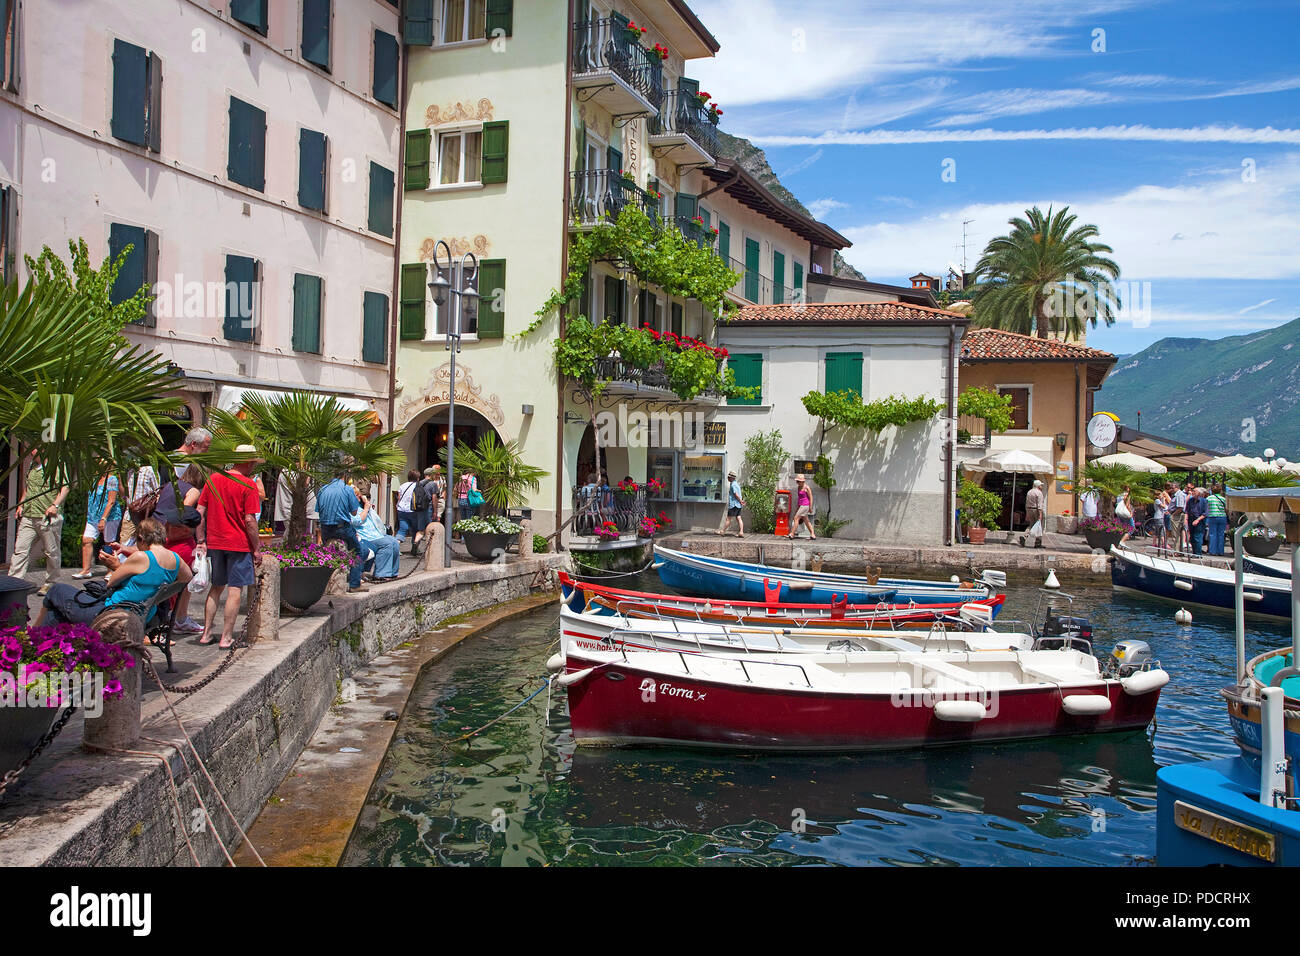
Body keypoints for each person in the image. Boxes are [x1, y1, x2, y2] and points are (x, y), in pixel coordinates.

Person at [35, 517, 190, 627]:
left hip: (113, 614)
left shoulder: (141, 557)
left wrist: (115, 564)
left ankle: (33, 638)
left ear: (141, 538)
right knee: (55, 612)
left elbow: (111, 582)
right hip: (145, 615)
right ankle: (46, 647)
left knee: (56, 591)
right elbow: (187, 576)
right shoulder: (175, 559)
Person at [195, 446, 264, 648]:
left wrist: (201, 539)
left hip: (215, 541)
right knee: (235, 589)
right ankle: (226, 637)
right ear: (248, 462)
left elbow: (200, 510)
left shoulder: (214, 479)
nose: (253, 466)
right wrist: (257, 548)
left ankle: (206, 633)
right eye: (252, 463)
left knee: (216, 587)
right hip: (238, 543)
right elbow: (250, 520)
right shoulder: (248, 485)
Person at [9, 448, 69, 595]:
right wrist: (21, 505)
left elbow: (65, 487)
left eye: (34, 450)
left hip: (47, 516)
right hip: (29, 515)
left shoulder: (56, 465)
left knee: (51, 552)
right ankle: (14, 581)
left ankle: (50, 583)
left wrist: (55, 505)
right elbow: (27, 488)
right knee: (20, 550)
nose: (31, 453)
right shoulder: (32, 466)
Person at [318, 471, 367, 593]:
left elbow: (318, 510)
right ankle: (355, 583)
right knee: (358, 551)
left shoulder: (322, 489)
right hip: (341, 528)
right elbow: (354, 512)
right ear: (344, 477)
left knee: (327, 553)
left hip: (325, 529)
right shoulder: (347, 489)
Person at [73, 470, 122, 579]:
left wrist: (103, 518)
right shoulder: (94, 479)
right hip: (93, 517)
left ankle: (111, 571)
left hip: (109, 517)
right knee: (86, 539)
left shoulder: (112, 479)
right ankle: (86, 570)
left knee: (109, 542)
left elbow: (111, 501)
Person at [352, 487, 401, 582]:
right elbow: (356, 521)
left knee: (394, 542)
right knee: (386, 544)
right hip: (365, 536)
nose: (359, 498)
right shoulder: (349, 509)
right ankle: (381, 574)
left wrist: (366, 504)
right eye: (357, 496)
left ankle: (392, 572)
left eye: (359, 496)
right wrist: (366, 509)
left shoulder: (360, 506)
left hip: (376, 534)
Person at [119, 462, 159, 546]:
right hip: (130, 514)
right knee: (124, 543)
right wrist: (121, 476)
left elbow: (157, 491)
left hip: (145, 514)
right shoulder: (128, 471)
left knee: (145, 543)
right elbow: (123, 495)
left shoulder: (149, 470)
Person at [395, 469, 421, 548]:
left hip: (401, 510)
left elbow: (399, 498)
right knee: (415, 529)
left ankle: (396, 545)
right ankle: (415, 546)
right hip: (412, 510)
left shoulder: (402, 485)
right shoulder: (418, 486)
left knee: (402, 529)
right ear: (417, 478)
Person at [716, 470, 745, 537]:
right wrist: (740, 501)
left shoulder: (733, 485)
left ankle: (723, 531)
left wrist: (740, 500)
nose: (727, 478)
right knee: (739, 517)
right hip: (738, 505)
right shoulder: (736, 484)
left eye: (729, 477)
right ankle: (741, 532)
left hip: (734, 504)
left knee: (728, 519)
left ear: (732, 478)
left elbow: (735, 494)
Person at [788, 474, 816, 540]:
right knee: (806, 520)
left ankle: (792, 533)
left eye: (798, 481)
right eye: (797, 481)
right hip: (801, 505)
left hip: (805, 505)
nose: (797, 482)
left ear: (803, 481)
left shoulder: (807, 488)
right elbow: (800, 498)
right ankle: (812, 534)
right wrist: (798, 506)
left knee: (796, 518)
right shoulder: (799, 487)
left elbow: (811, 497)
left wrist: (810, 507)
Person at [1022, 479, 1046, 549]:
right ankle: (1038, 543)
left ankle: (1024, 536)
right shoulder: (1039, 493)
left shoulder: (1029, 492)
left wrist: (1027, 513)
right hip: (1036, 510)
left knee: (1031, 524)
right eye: (1041, 485)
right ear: (1038, 486)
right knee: (1039, 526)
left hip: (1029, 509)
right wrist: (1040, 514)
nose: (1042, 486)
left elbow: (1027, 502)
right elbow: (1039, 504)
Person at [1205, 483, 1228, 556]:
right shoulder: (1223, 499)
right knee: (1221, 534)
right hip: (1222, 517)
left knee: (1212, 534)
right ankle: (1220, 551)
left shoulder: (1209, 498)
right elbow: (1226, 509)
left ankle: (1213, 551)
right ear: (1220, 490)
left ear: (1212, 491)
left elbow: (1206, 507)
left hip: (1212, 516)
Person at [1187, 486, 1207, 556]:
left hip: (1199, 521)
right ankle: (1194, 552)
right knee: (1192, 537)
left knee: (1197, 537)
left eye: (1194, 491)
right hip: (1191, 520)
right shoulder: (1190, 500)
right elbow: (1187, 510)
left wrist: (1197, 520)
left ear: (1199, 493)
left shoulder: (1204, 501)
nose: (1192, 492)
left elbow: (1205, 513)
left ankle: (1198, 553)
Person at [1168, 482, 1187, 553]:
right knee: (1176, 534)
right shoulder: (1176, 495)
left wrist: (1173, 515)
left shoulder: (1179, 495)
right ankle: (1177, 550)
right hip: (1175, 514)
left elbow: (1180, 508)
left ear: (1177, 487)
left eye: (1172, 488)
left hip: (1177, 516)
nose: (1171, 489)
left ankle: (1177, 551)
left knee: (1176, 534)